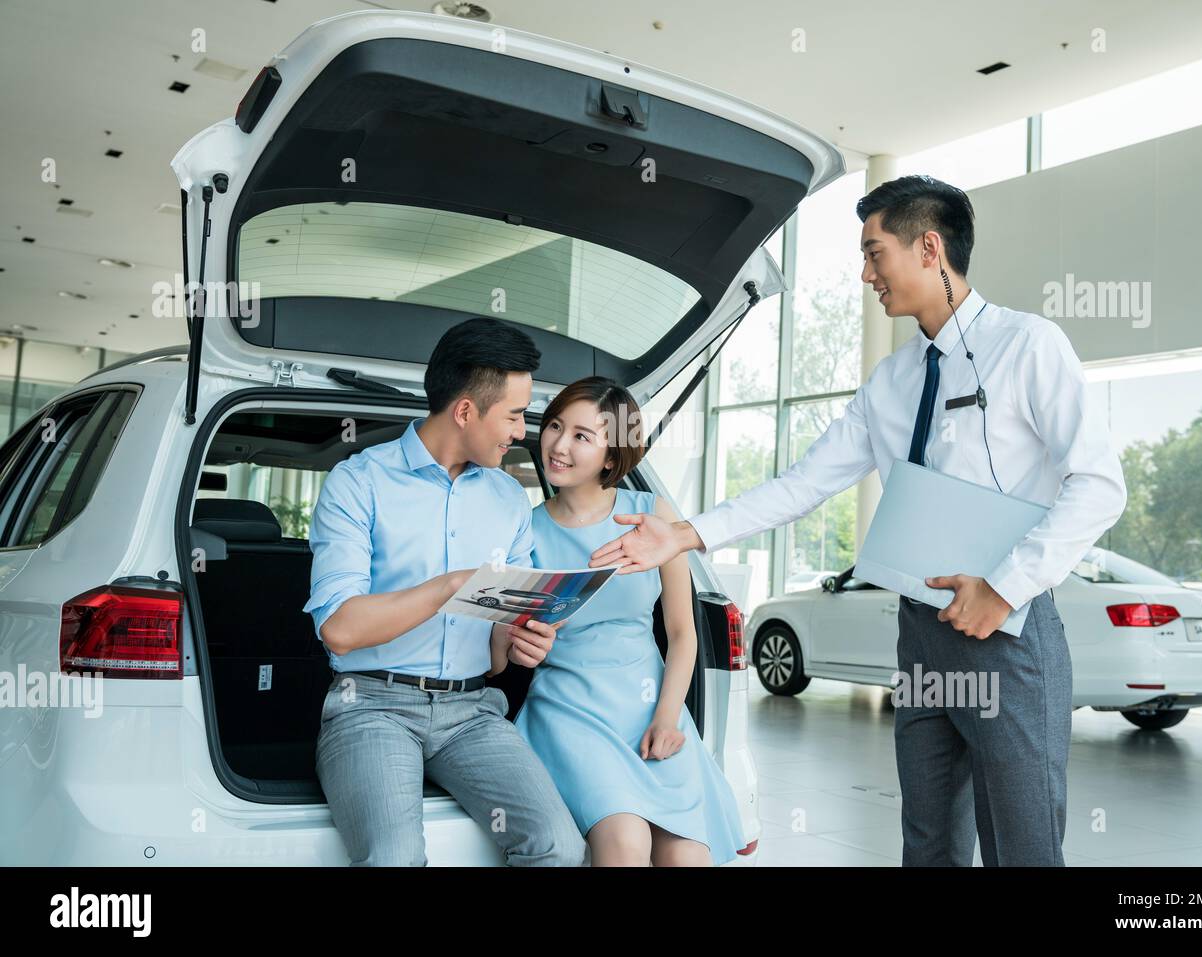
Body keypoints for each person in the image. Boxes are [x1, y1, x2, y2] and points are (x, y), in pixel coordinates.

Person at [588, 175, 1127, 867]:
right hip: (922, 636)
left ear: (929, 247)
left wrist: (1003, 585)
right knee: (927, 843)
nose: (865, 272)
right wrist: (686, 533)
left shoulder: (1029, 345)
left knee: (1021, 848)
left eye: (876, 253)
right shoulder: (892, 380)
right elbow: (805, 483)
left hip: (1008, 635)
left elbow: (1100, 485)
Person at [304, 316, 585, 867]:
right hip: (372, 709)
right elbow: (339, 628)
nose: (521, 431)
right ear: (464, 411)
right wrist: (452, 586)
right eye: (513, 414)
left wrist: (520, 636)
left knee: (559, 846)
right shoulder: (359, 482)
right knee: (394, 857)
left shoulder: (508, 499)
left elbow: (501, 647)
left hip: (473, 711)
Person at [513, 376, 747, 866]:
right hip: (569, 710)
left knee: (686, 854)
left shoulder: (652, 514)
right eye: (555, 426)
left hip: (651, 705)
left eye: (581, 435)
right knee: (624, 842)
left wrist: (667, 716)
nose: (558, 444)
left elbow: (683, 634)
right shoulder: (525, 528)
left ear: (613, 454)